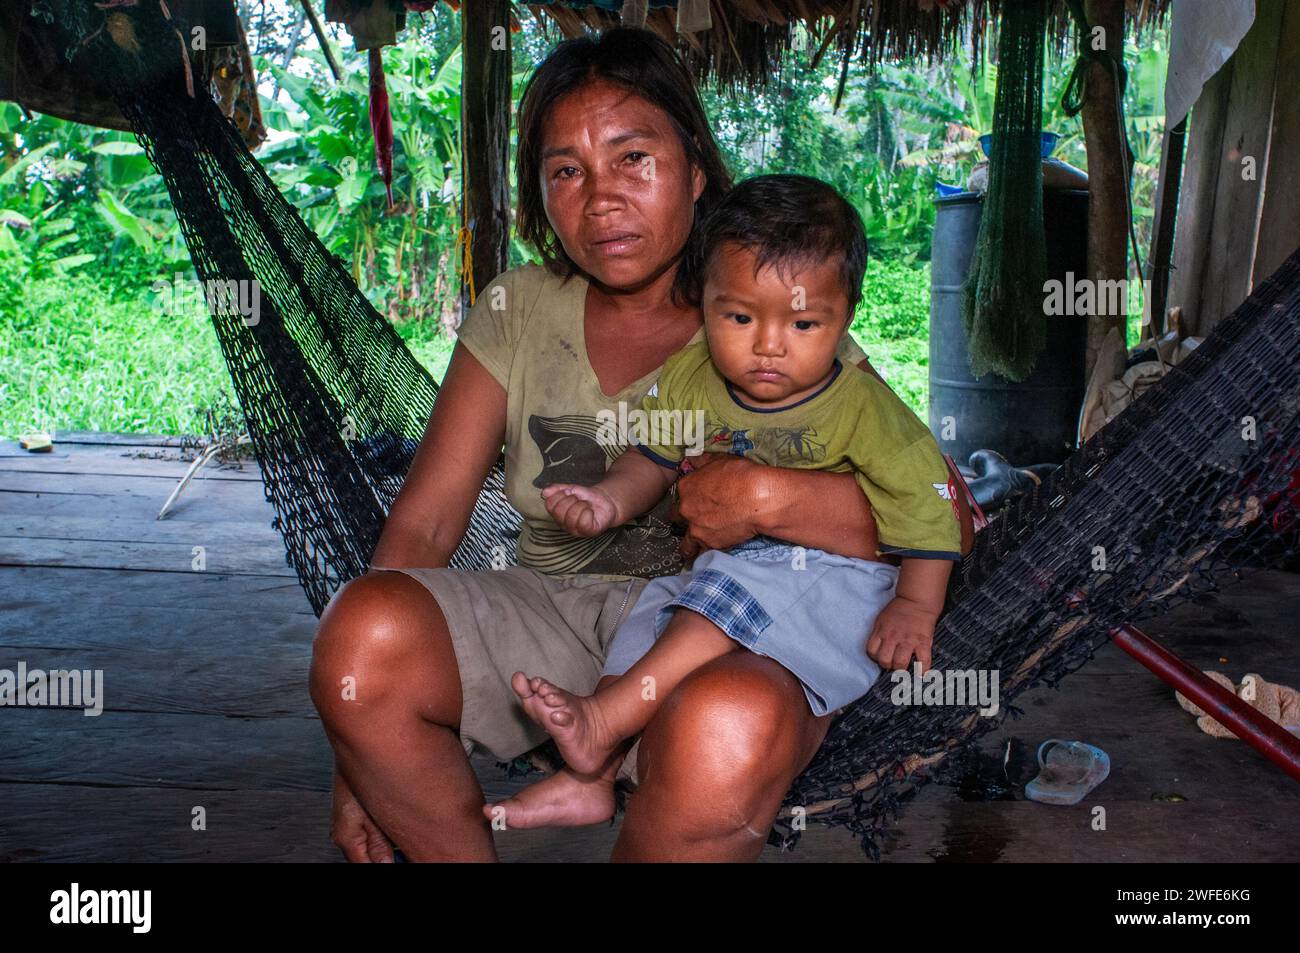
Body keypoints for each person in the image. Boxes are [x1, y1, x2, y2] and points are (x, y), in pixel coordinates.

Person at [308, 26, 973, 862]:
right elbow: (427, 528)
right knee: (360, 635)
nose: (601, 199)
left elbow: (946, 511)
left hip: (728, 636)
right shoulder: (517, 310)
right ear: (540, 194)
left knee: (726, 724)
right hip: (544, 617)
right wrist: (354, 754)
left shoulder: (769, 317)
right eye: (566, 171)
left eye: (634, 159)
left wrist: (770, 499)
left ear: (695, 169)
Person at [497, 175, 962, 823]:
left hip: (838, 582)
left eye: (802, 322)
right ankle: (592, 773)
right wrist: (607, 501)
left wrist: (916, 602)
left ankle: (602, 722)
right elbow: (653, 455)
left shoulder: (863, 406)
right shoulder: (695, 377)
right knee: (650, 622)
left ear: (845, 315)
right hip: (733, 567)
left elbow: (932, 499)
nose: (768, 345)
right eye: (739, 316)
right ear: (705, 302)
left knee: (708, 610)